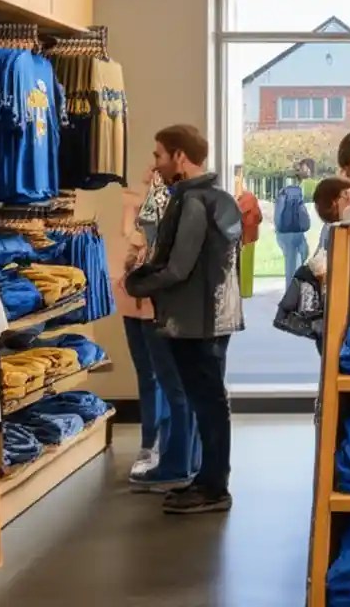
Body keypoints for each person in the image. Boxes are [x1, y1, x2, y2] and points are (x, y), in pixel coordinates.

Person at [126, 124, 244, 515]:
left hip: (195, 320)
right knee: (209, 401)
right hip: (214, 317)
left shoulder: (192, 201)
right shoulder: (218, 198)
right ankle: (209, 480)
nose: (155, 164)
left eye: (159, 155)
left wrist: (138, 283)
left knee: (206, 401)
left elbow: (178, 267)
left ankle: (213, 487)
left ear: (179, 156)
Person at [117, 166, 201, 490]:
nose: (154, 166)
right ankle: (150, 443)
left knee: (171, 380)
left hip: (161, 302)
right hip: (133, 295)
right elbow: (129, 237)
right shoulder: (139, 198)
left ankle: (169, 450)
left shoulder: (186, 205)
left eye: (159, 157)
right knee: (146, 373)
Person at [274, 166, 311, 280]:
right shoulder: (298, 191)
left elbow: (278, 212)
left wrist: (277, 227)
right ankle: (294, 288)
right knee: (302, 254)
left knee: (289, 264)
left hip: (284, 232)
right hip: (297, 231)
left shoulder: (283, 193)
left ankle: (290, 289)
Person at [234, 165, 263, 297]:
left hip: (243, 236)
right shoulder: (250, 197)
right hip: (249, 236)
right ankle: (245, 291)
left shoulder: (241, 199)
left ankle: (242, 291)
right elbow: (259, 216)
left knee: (240, 265)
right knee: (247, 264)